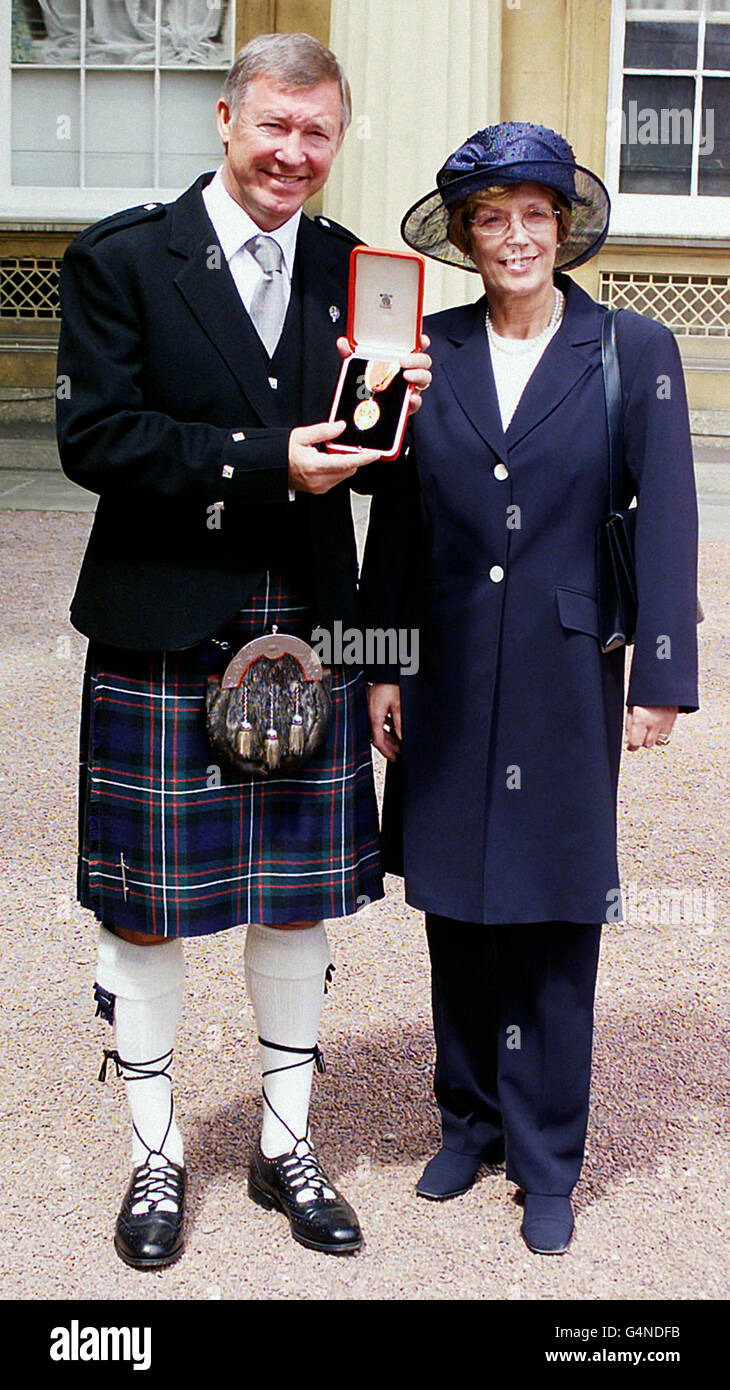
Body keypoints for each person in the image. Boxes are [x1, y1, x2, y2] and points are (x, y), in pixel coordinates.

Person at [56, 31, 430, 1268]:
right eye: (273, 125)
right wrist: (265, 460)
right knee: (150, 914)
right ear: (227, 118)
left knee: (294, 902)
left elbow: (385, 462)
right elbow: (96, 440)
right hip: (165, 628)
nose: (293, 153)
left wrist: (409, 417)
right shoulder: (122, 257)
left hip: (311, 628)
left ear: (336, 135)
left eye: (316, 132)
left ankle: (284, 1141)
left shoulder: (357, 269)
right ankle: (157, 1151)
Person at [361, 123, 699, 1254]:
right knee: (452, 895)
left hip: (566, 672)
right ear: (464, 236)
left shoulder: (630, 348)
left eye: (533, 214)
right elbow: (394, 523)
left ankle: (548, 1156)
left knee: (556, 910)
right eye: (489, 217)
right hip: (446, 669)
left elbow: (668, 523)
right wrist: (378, 663)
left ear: (563, 229)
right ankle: (468, 1118)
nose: (513, 235)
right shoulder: (426, 348)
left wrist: (659, 673)